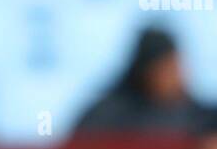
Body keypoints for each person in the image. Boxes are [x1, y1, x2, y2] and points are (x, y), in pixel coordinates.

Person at [73, 27, 207, 136]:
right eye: (163, 69)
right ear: (145, 72)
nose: (174, 76)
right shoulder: (108, 115)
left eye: (175, 67)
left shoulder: (201, 117)